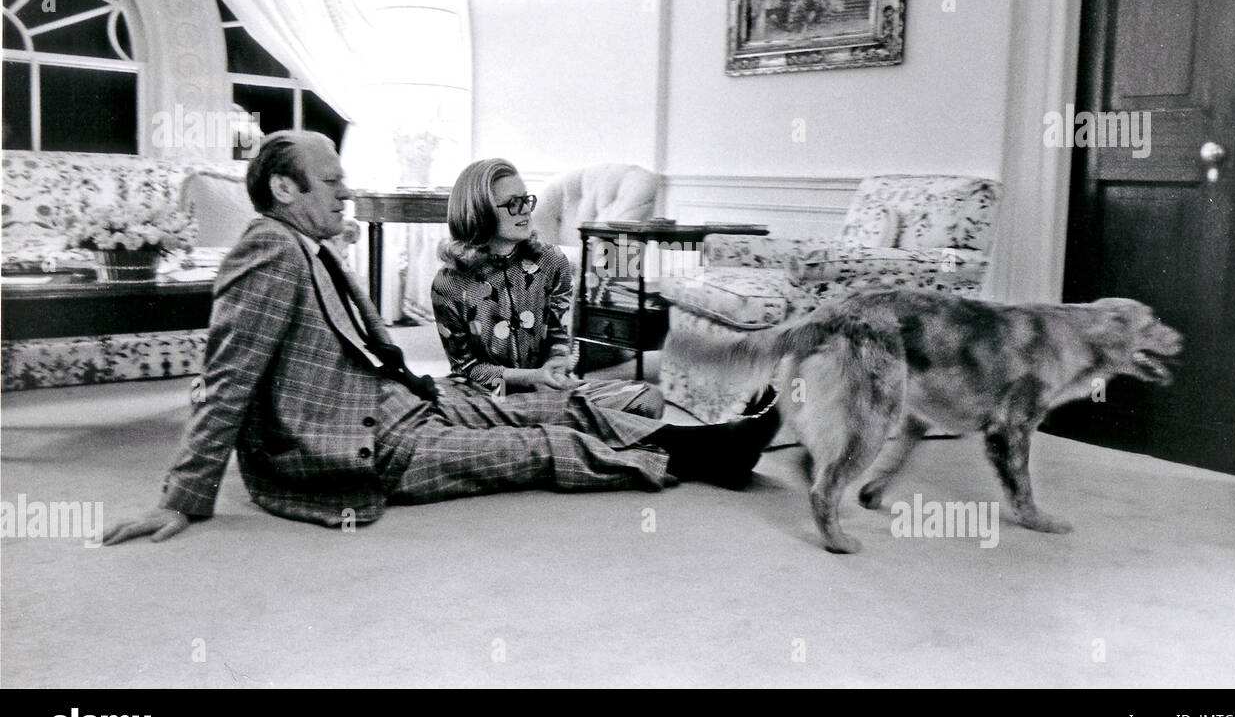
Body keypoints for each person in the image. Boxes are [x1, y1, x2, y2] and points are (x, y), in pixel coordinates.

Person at [103, 131, 778, 545]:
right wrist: (182, 497)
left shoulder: (307, 243)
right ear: (284, 185)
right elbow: (227, 379)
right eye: (332, 181)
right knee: (537, 444)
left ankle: (698, 431)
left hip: (402, 399)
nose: (346, 192)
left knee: (558, 402)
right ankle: (708, 454)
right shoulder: (268, 251)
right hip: (364, 445)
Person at [430, 158, 661, 417]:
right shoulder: (449, 282)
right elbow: (467, 367)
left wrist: (555, 366)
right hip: (488, 396)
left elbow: (559, 336)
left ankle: (547, 427)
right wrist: (532, 377)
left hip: (545, 394)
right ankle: (560, 427)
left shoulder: (552, 262)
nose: (526, 211)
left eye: (526, 200)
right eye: (512, 204)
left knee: (648, 399)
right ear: (480, 211)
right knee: (437, 404)